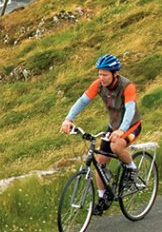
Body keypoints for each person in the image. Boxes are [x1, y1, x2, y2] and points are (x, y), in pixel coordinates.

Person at [60, 54, 142, 216]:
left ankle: (132, 169)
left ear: (114, 74)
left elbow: (130, 110)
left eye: (104, 74)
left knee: (116, 146)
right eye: (99, 74)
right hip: (113, 126)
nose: (101, 77)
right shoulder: (98, 85)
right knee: (101, 161)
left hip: (131, 125)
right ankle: (102, 197)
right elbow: (82, 101)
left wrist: (121, 130)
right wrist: (68, 119)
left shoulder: (127, 86)